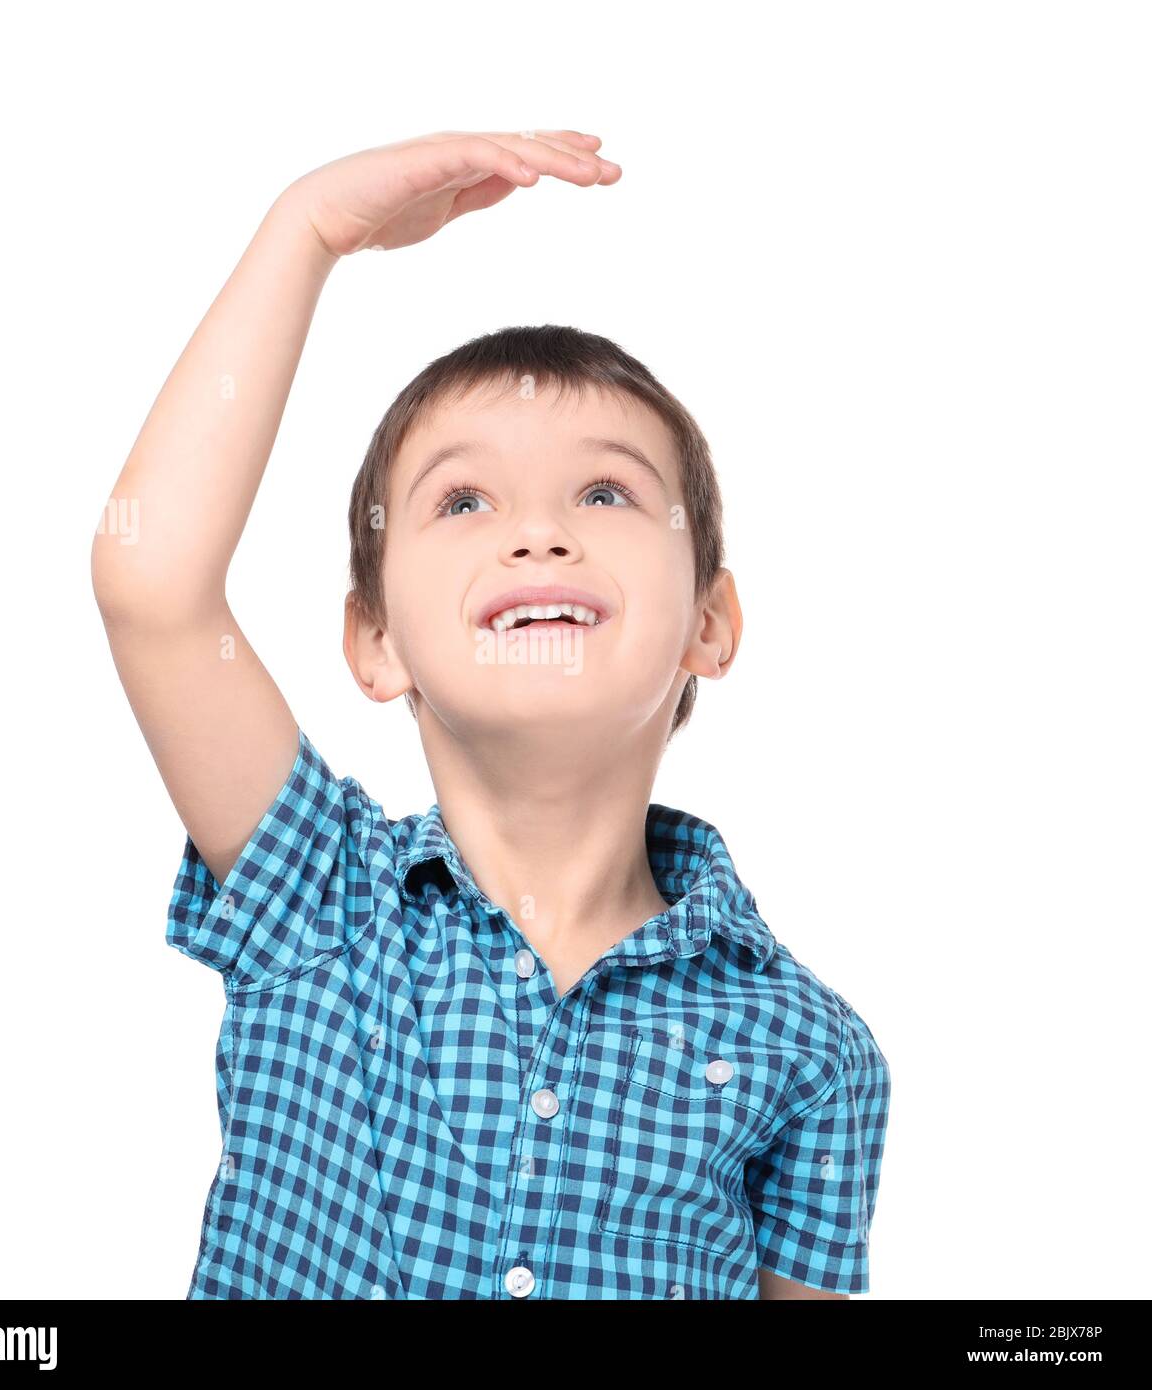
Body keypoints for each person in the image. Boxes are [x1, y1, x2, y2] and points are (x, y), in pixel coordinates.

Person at [91, 128, 891, 1300]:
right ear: (375, 641)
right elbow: (150, 583)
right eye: (462, 499)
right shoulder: (316, 892)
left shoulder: (812, 1051)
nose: (538, 532)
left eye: (606, 490)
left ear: (708, 625)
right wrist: (307, 230)